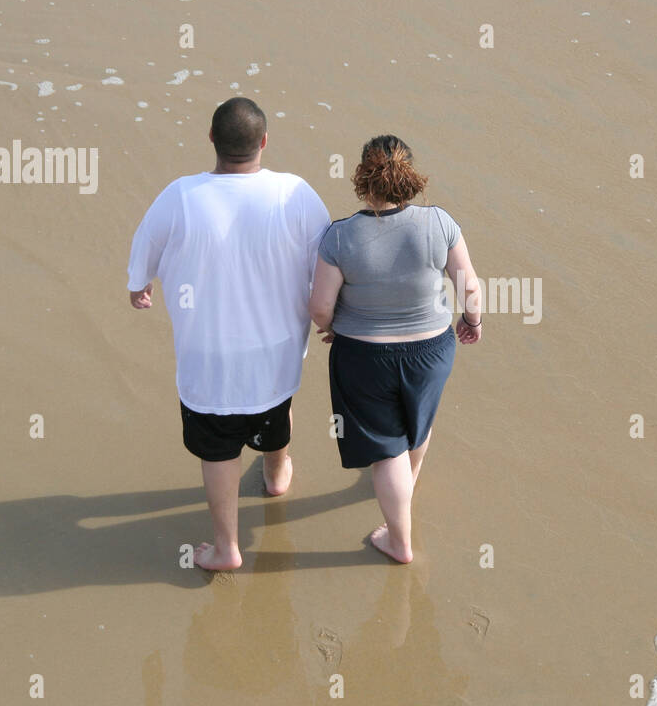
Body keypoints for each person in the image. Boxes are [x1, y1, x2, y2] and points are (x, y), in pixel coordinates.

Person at [127, 97, 331, 572]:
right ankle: (277, 473)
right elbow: (329, 265)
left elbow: (145, 250)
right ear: (263, 142)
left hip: (208, 356)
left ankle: (226, 548)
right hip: (275, 351)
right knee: (274, 409)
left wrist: (140, 286)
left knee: (218, 448)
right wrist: (332, 319)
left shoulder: (179, 195)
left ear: (212, 140)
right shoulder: (296, 193)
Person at [309, 135, 482, 563]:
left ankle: (398, 542)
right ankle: (406, 483)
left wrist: (332, 328)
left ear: (362, 178)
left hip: (364, 355)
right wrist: (471, 321)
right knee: (416, 427)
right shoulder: (439, 222)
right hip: (431, 351)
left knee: (386, 449)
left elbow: (320, 307)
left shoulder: (340, 235)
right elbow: (471, 288)